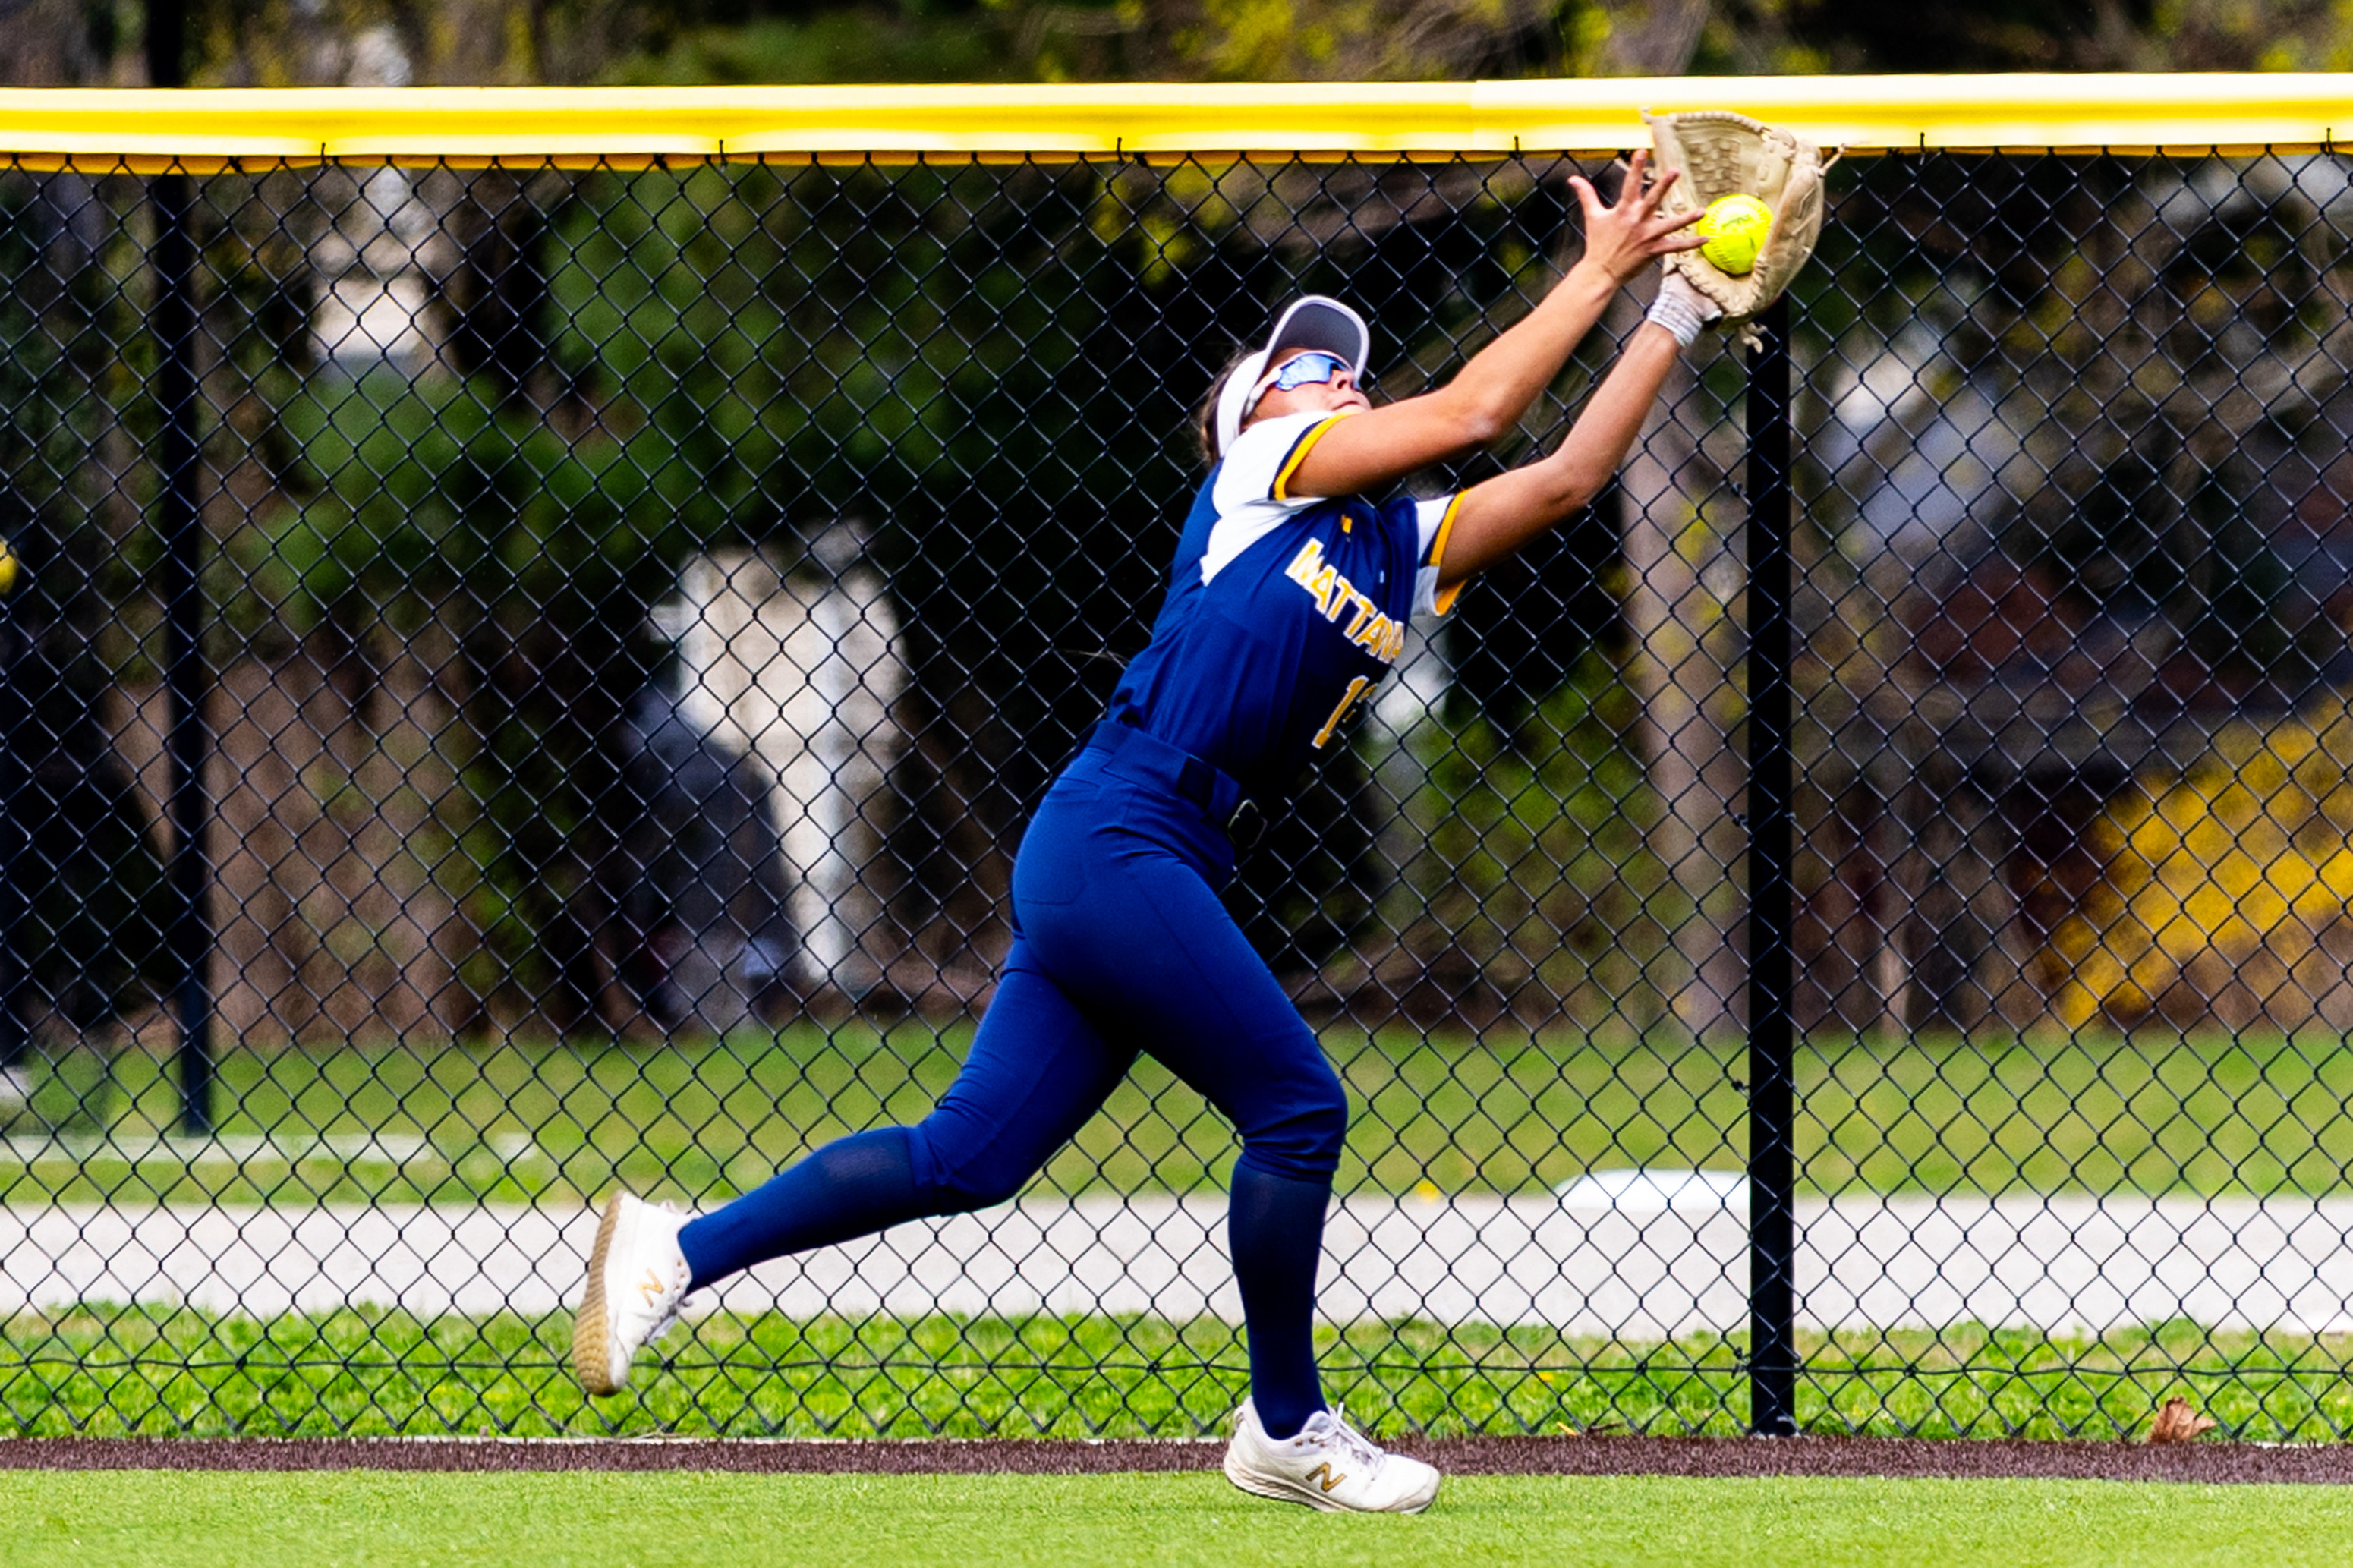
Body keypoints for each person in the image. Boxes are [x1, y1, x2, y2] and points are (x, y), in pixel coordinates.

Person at [572, 151, 1717, 1513]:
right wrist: (1601, 267)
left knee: (970, 1156)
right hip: (1124, 829)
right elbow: (1477, 406)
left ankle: (672, 1252)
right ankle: (1284, 1425)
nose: (1338, 377)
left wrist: (1680, 309)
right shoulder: (1265, 474)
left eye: (1344, 367)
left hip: (1135, 849)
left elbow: (1571, 475)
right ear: (1254, 412)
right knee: (1297, 1107)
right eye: (1307, 366)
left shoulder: (1393, 548)